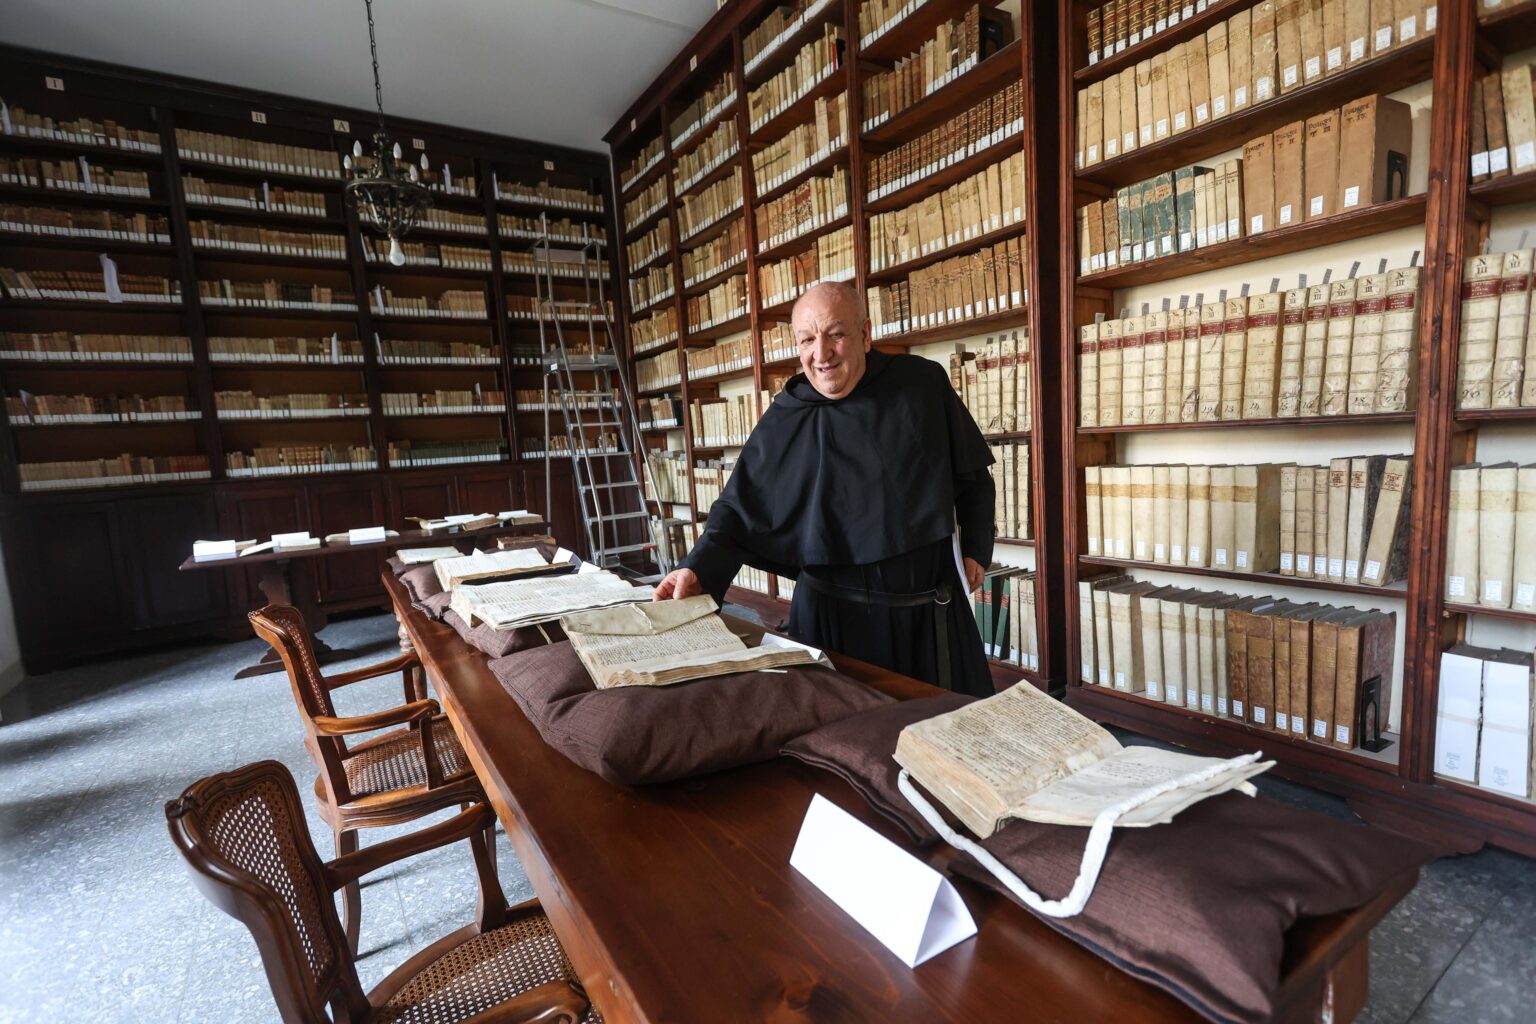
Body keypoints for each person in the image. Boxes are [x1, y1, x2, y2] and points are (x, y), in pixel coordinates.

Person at [653, 281, 997, 697]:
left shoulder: (921, 385)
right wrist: (697, 569)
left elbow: (973, 476)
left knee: (944, 743)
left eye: (836, 333)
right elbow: (740, 509)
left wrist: (976, 547)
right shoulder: (788, 414)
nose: (822, 353)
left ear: (865, 335)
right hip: (829, 622)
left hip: (925, 620)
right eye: (807, 339)